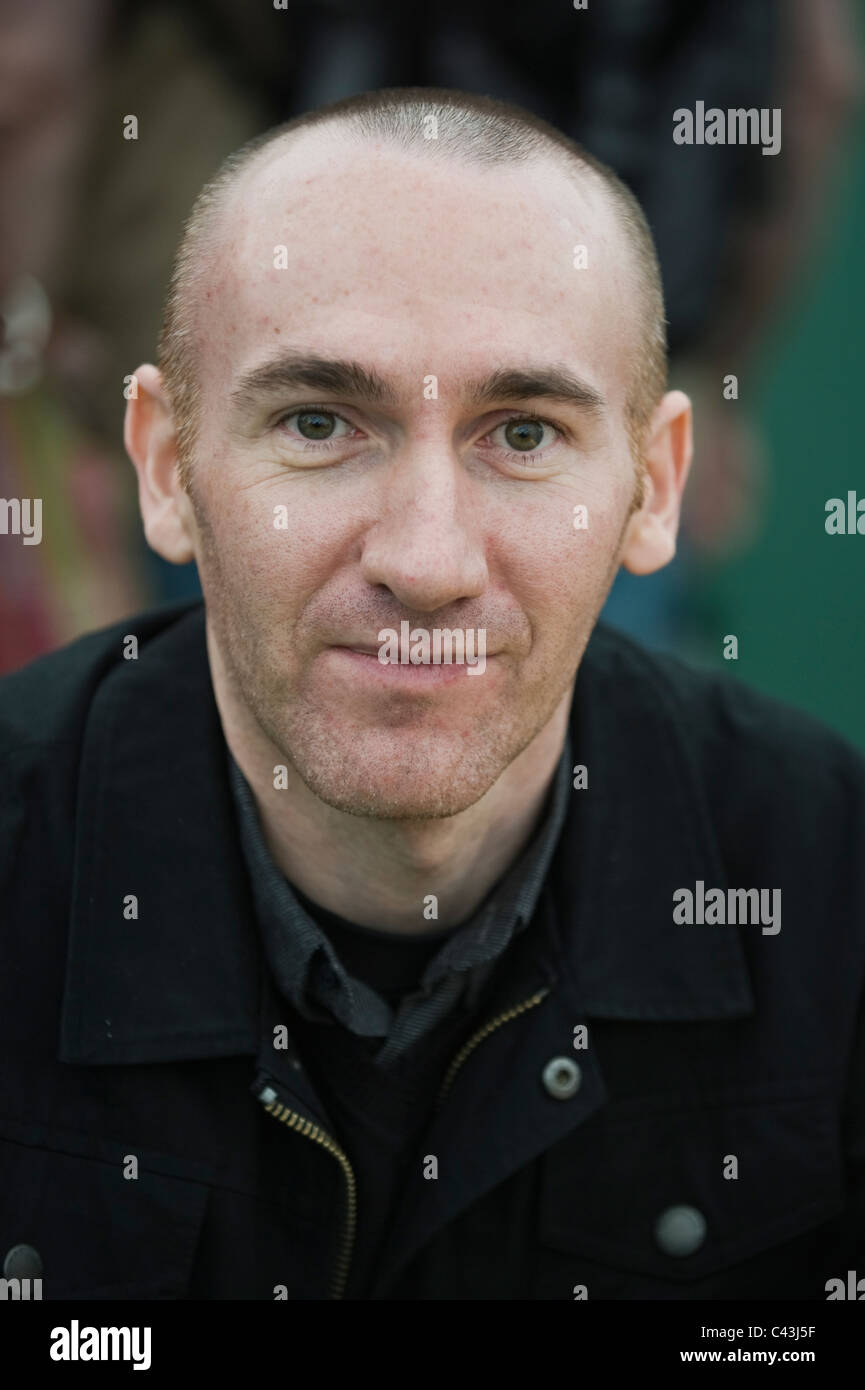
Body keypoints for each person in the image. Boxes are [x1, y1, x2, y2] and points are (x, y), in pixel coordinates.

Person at [0, 87, 863, 1302]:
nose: (426, 558)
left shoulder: (829, 886)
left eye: (521, 435)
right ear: (164, 466)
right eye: (317, 421)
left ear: (655, 485)